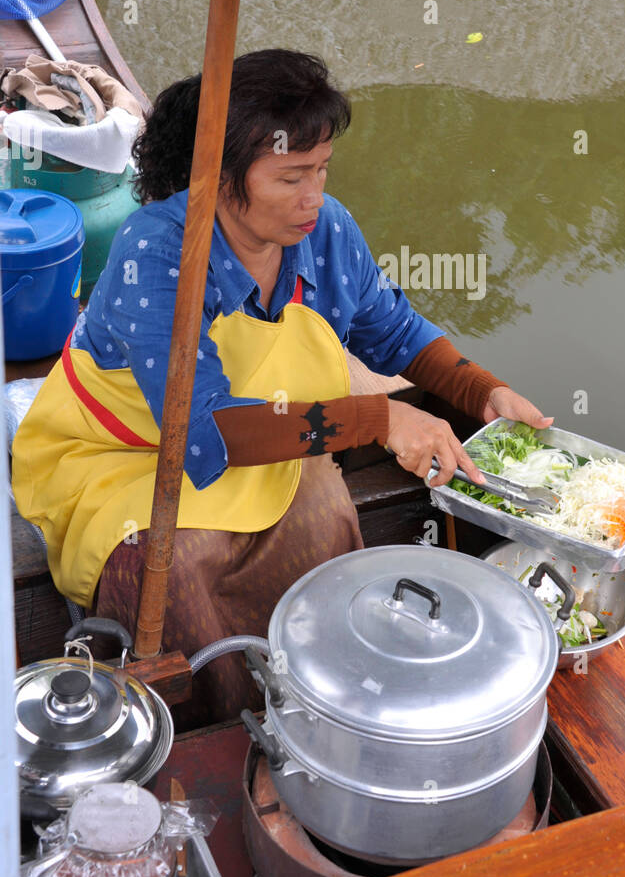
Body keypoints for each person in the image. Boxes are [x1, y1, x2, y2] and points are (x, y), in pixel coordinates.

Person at [12, 49, 552, 721]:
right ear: (218, 175)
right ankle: (219, 724)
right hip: (130, 454)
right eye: (291, 177)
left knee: (326, 517)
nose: (313, 197)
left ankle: (324, 698)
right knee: (181, 560)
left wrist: (484, 392)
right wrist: (380, 422)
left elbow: (388, 325)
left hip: (274, 433)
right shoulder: (156, 253)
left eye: (321, 170)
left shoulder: (324, 230)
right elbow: (202, 430)